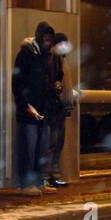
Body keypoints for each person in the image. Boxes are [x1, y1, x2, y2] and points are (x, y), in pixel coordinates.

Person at [12, 21, 56, 197]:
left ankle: (38, 181)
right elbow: (18, 82)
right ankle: (27, 183)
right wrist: (24, 104)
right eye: (45, 39)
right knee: (29, 149)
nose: (48, 42)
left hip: (42, 110)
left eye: (50, 39)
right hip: (29, 111)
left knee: (41, 149)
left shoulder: (45, 56)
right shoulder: (26, 55)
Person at [46, 32, 75, 188]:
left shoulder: (62, 60)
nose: (64, 46)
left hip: (61, 106)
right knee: (52, 141)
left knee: (58, 142)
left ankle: (53, 174)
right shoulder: (53, 61)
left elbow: (66, 85)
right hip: (55, 107)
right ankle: (48, 174)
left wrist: (68, 103)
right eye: (61, 44)